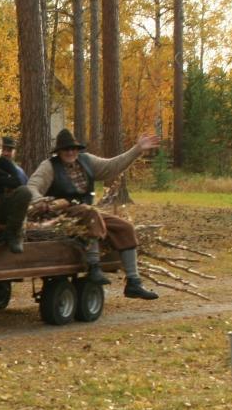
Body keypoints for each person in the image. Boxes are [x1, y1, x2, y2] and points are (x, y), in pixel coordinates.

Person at [26, 128, 161, 300]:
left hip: (87, 213)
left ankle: (133, 282)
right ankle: (93, 266)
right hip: (62, 215)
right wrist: (42, 202)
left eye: (73, 148)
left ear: (77, 149)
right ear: (58, 152)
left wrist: (137, 150)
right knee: (90, 213)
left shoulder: (87, 161)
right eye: (66, 149)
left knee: (124, 227)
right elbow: (32, 186)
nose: (70, 152)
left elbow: (112, 166)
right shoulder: (49, 166)